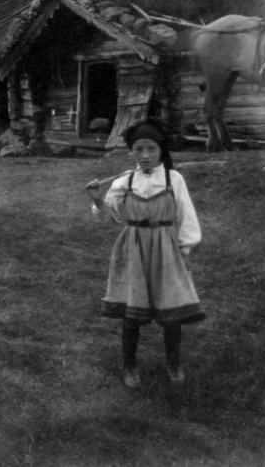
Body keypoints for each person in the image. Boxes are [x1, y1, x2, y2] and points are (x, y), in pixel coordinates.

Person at [83, 117, 205, 389]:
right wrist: (98, 200)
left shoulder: (174, 179)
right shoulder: (125, 181)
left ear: (161, 149)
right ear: (131, 152)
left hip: (166, 248)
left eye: (151, 148)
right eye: (138, 149)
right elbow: (108, 217)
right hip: (133, 247)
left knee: (171, 307)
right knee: (131, 311)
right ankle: (129, 366)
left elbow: (187, 215)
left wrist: (185, 249)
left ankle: (173, 363)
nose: (145, 155)